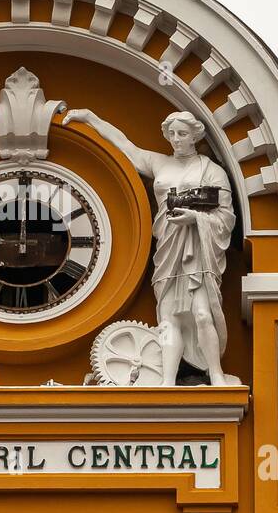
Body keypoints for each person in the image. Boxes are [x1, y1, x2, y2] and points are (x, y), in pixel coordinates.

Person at [62, 108, 237, 386]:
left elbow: (226, 216)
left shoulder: (212, 170)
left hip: (197, 251)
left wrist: (196, 218)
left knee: (202, 314)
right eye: (172, 134)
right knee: (169, 318)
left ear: (194, 136)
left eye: (182, 134)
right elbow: (125, 147)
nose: (176, 140)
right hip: (168, 249)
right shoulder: (160, 164)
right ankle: (167, 380)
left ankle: (215, 373)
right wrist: (91, 118)